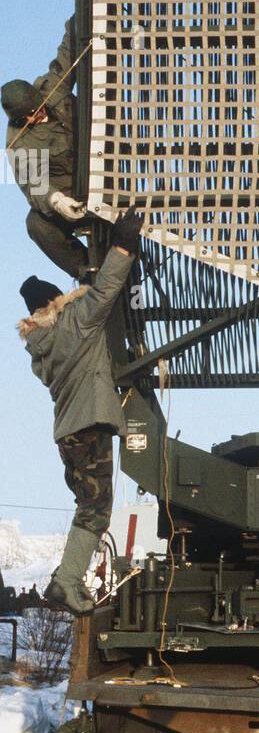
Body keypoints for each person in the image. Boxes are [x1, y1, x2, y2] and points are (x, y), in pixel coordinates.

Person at [17, 209, 144, 616]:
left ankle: (66, 580)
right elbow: (105, 290)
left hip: (68, 436)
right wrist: (123, 245)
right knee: (95, 510)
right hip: (88, 428)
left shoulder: (40, 345)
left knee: (87, 505)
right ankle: (66, 582)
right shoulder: (73, 321)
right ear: (57, 300)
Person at [2, 17, 89, 279]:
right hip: (71, 198)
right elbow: (34, 184)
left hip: (103, 171)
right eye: (31, 116)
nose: (37, 116)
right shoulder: (19, 142)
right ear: (20, 119)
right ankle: (87, 272)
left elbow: (69, 51)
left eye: (39, 109)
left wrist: (80, 17)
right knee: (36, 224)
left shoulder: (51, 88)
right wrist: (58, 202)